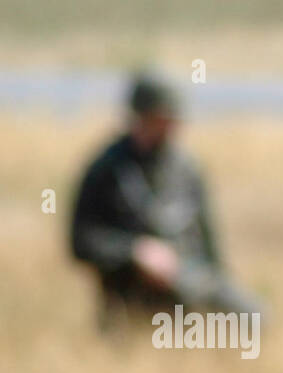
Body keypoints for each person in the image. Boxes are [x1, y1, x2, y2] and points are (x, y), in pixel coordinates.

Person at [70, 68, 261, 331]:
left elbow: (209, 244)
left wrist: (213, 281)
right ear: (142, 117)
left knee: (253, 319)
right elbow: (81, 241)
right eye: (162, 118)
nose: (171, 127)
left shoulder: (187, 170)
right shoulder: (106, 170)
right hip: (131, 292)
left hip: (190, 282)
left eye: (173, 119)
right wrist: (135, 252)